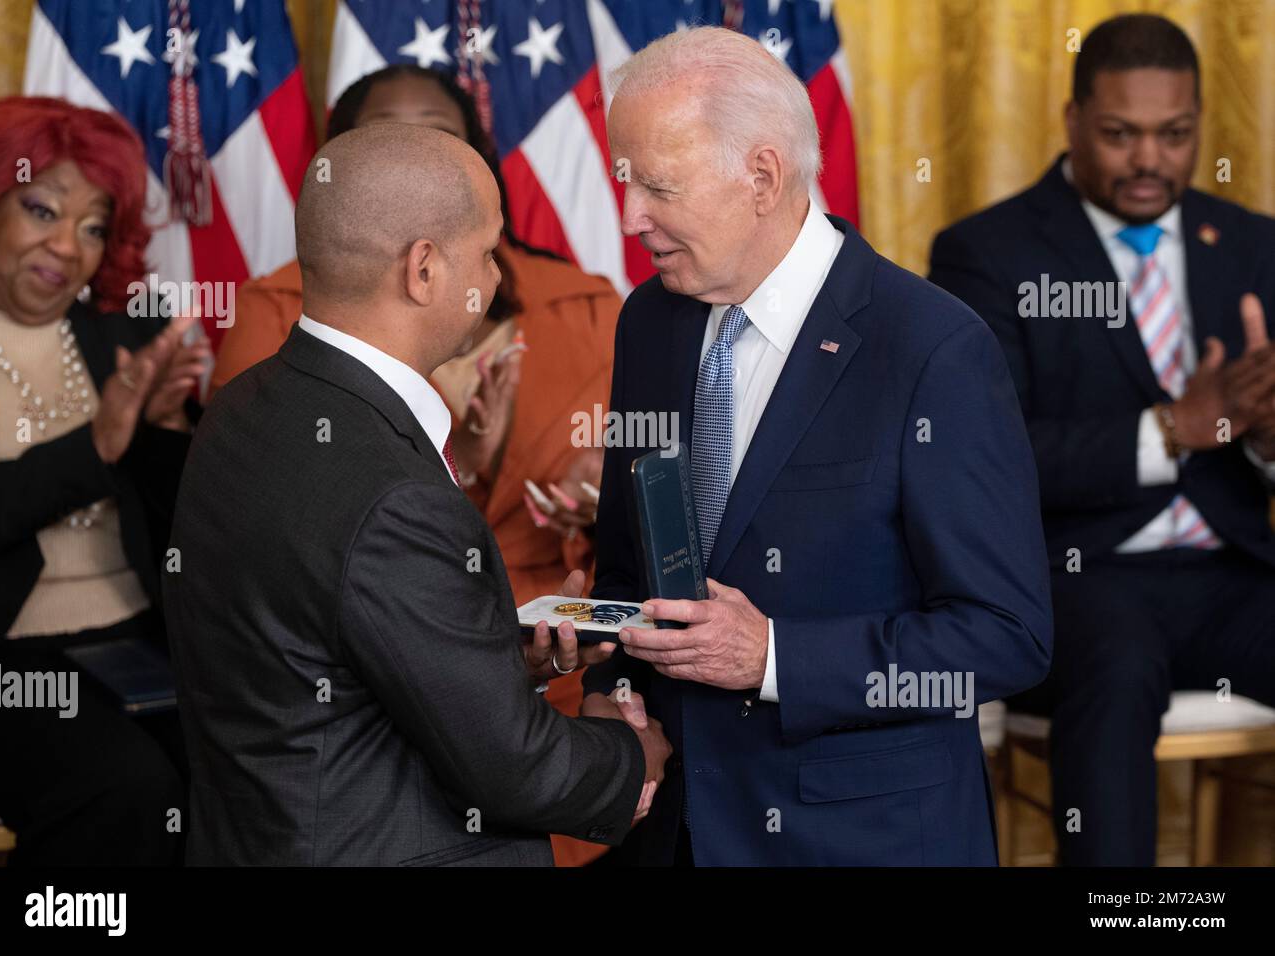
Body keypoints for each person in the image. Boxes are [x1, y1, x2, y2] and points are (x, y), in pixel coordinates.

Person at [580, 26, 1052, 866]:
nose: (630, 217)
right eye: (626, 180)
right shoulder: (648, 323)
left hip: (856, 837)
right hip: (675, 830)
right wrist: (611, 691)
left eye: (657, 185)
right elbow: (626, 571)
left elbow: (1006, 637)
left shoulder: (932, 349)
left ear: (762, 176)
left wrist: (775, 658)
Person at [164, 123, 670, 866]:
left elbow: (323, 654)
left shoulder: (241, 407)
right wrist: (633, 754)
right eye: (490, 251)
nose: (501, 277)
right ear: (425, 270)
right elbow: (514, 769)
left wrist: (494, 658)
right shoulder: (397, 495)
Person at [929, 13, 1275, 866]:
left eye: (1175, 135)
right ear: (1074, 119)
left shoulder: (1252, 246)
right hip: (1077, 578)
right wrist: (1174, 429)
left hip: (1232, 572)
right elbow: (984, 464)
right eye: (1121, 135)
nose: (1150, 160)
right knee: (1117, 668)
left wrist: (1265, 437)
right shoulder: (985, 254)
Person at [0, 96, 208, 865]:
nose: (66, 246)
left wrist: (170, 434)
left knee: (250, 771)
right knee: (125, 792)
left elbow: (194, 535)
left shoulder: (122, 335)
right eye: (41, 210)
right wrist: (99, 445)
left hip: (139, 641)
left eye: (93, 226)